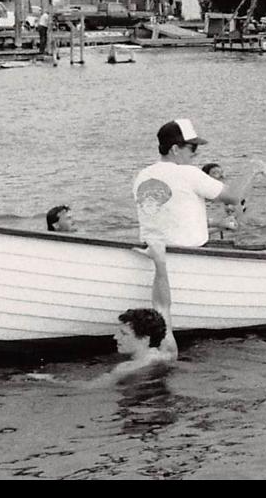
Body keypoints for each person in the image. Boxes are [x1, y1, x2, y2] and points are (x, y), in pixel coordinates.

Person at [132, 119, 250, 248]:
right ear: (175, 149)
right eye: (192, 148)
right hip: (190, 253)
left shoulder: (142, 176)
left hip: (153, 249)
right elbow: (234, 197)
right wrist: (251, 170)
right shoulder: (189, 173)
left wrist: (219, 223)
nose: (195, 154)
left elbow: (176, 219)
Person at [107, 240, 179, 383]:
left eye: (123, 333)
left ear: (145, 339)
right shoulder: (168, 353)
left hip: (135, 402)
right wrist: (159, 261)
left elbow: (87, 389)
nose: (115, 337)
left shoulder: (125, 369)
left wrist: (50, 380)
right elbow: (162, 304)